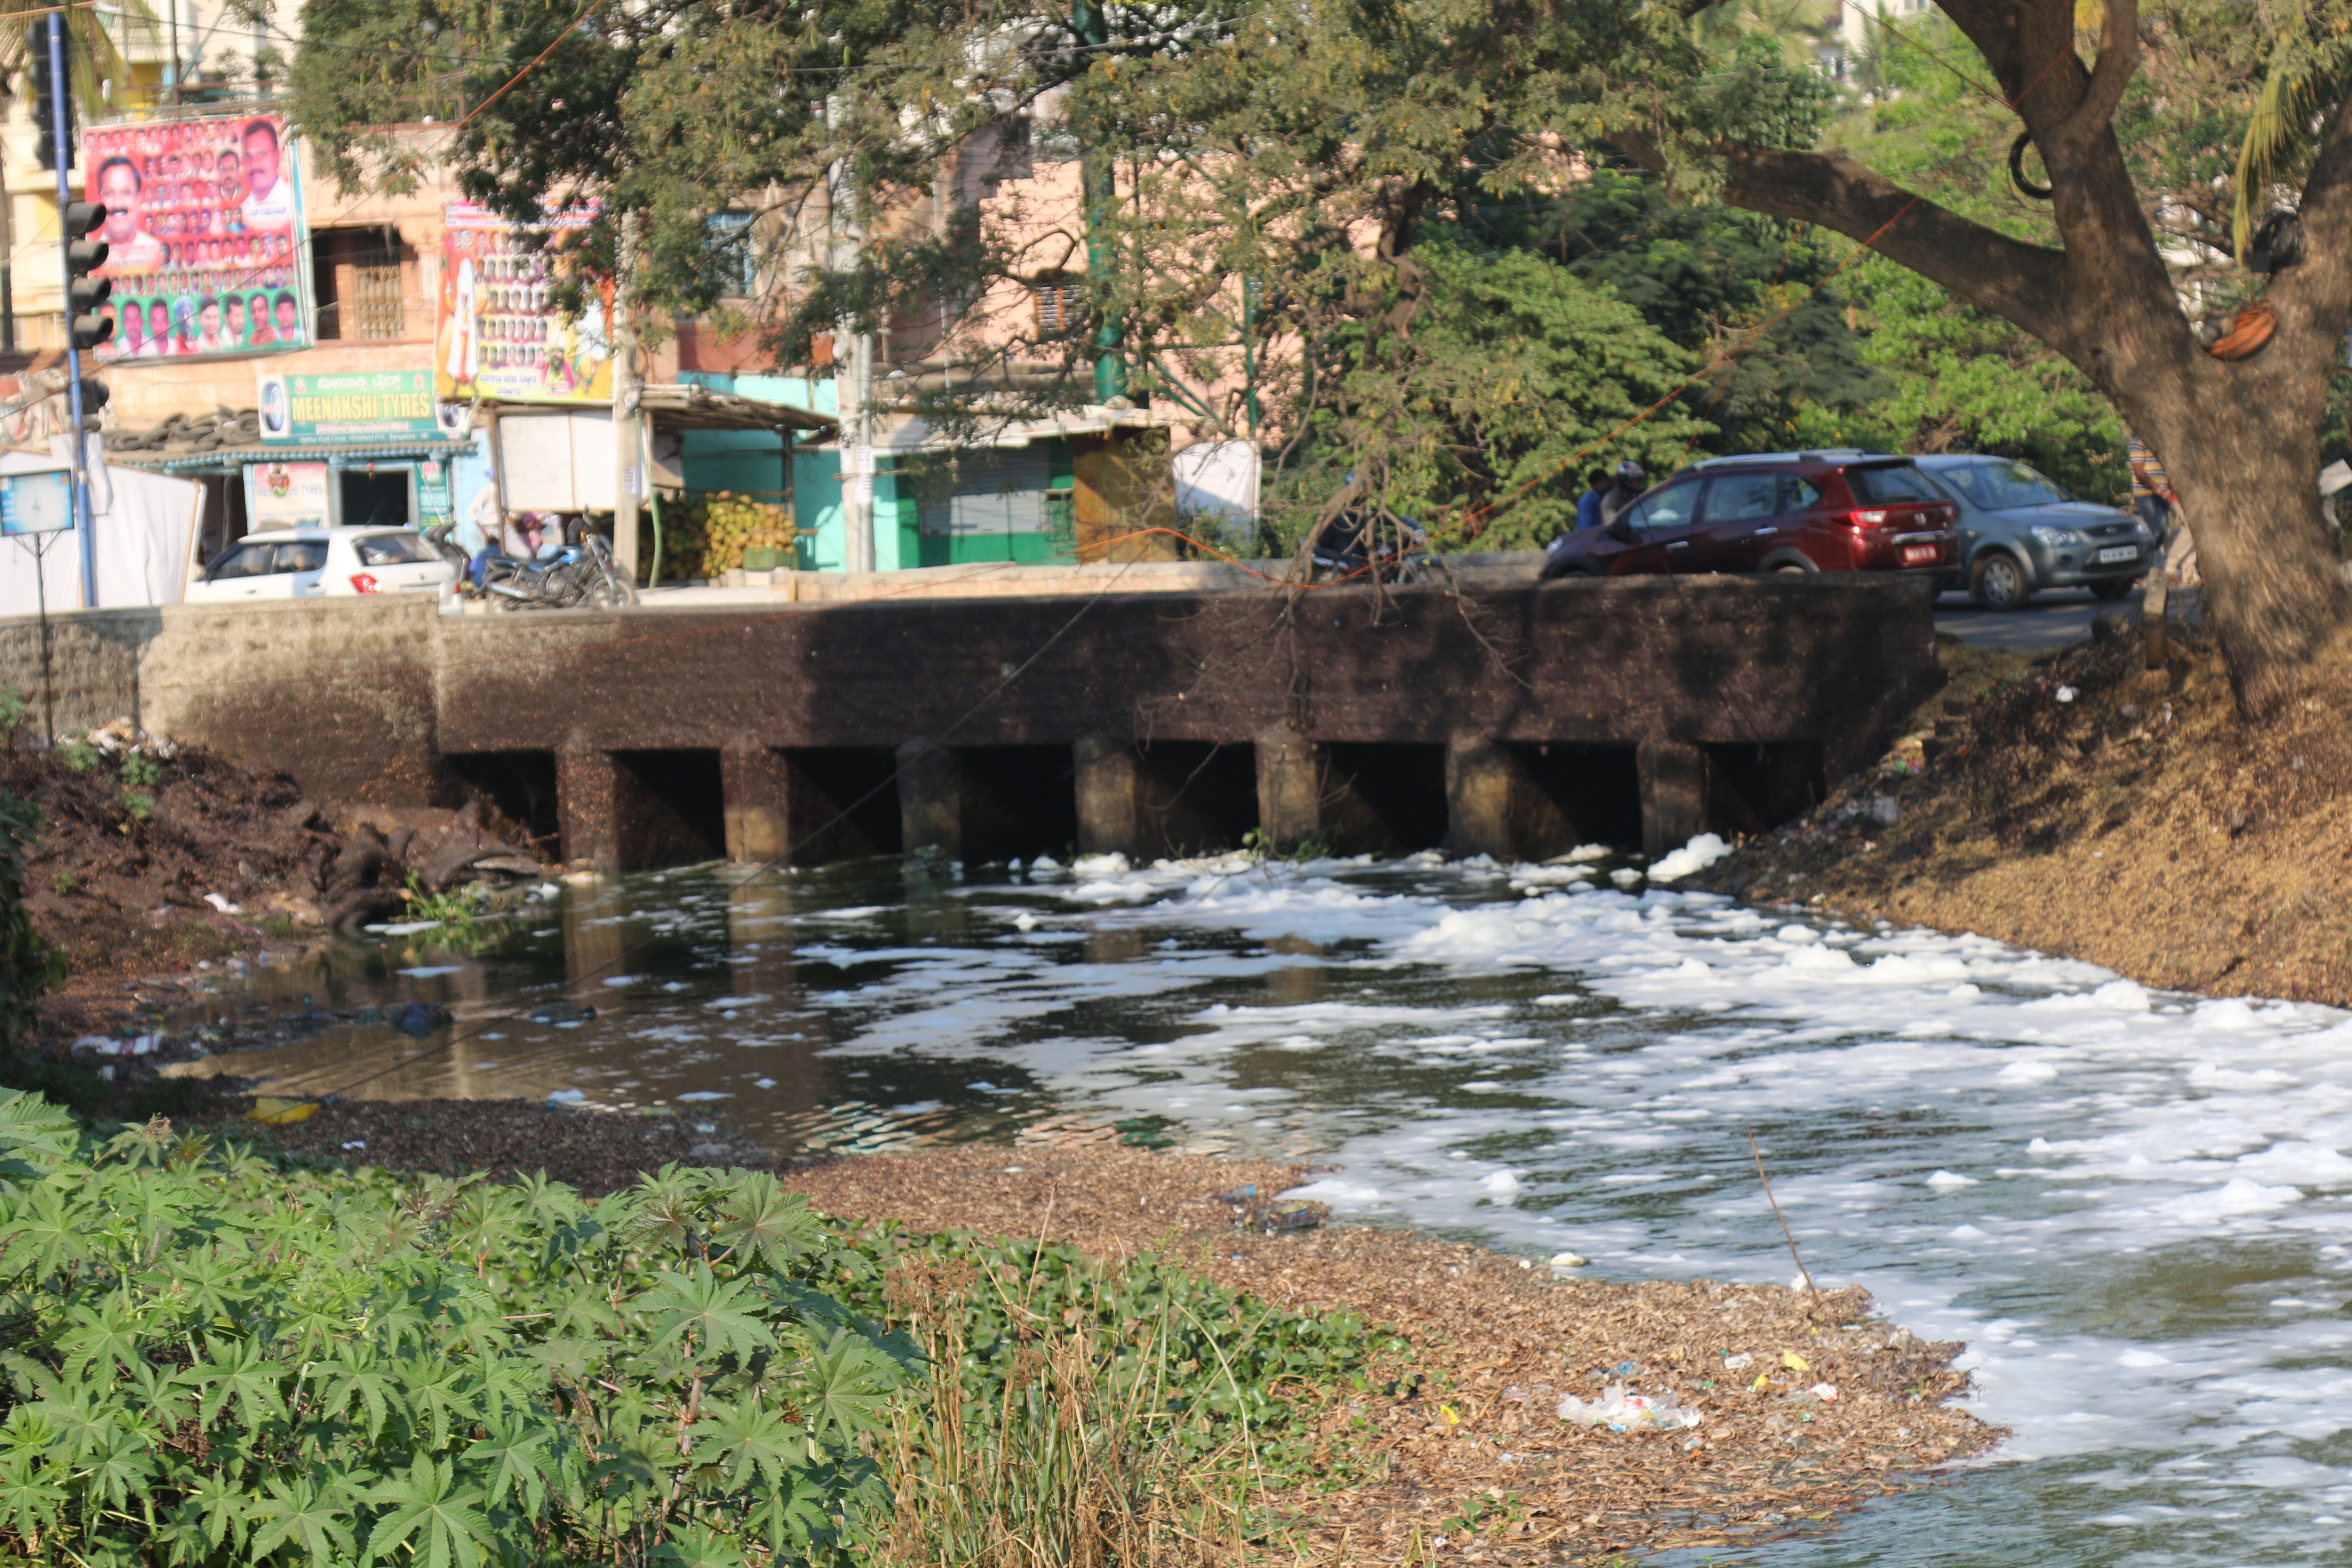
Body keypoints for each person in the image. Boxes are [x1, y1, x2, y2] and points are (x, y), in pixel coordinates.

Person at [95, 156, 167, 272]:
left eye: (126, 192)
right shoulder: (94, 256)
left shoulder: (156, 252)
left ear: (138, 200)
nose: (117, 203)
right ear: (100, 201)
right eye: (109, 193)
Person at [239, 119, 295, 233]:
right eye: (248, 157)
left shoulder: (293, 200)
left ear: (277, 156)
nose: (254, 164)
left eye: (262, 155)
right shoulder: (242, 211)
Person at [1600, 459, 1646, 526]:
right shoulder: (1611, 499)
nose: (1637, 484)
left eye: (1639, 481)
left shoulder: (1637, 494)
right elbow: (1610, 525)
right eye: (1634, 481)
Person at [1573, 467, 1611, 532]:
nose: (1604, 484)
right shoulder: (1586, 501)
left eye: (1605, 481)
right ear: (1593, 485)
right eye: (1601, 482)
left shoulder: (1609, 496)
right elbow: (1585, 527)